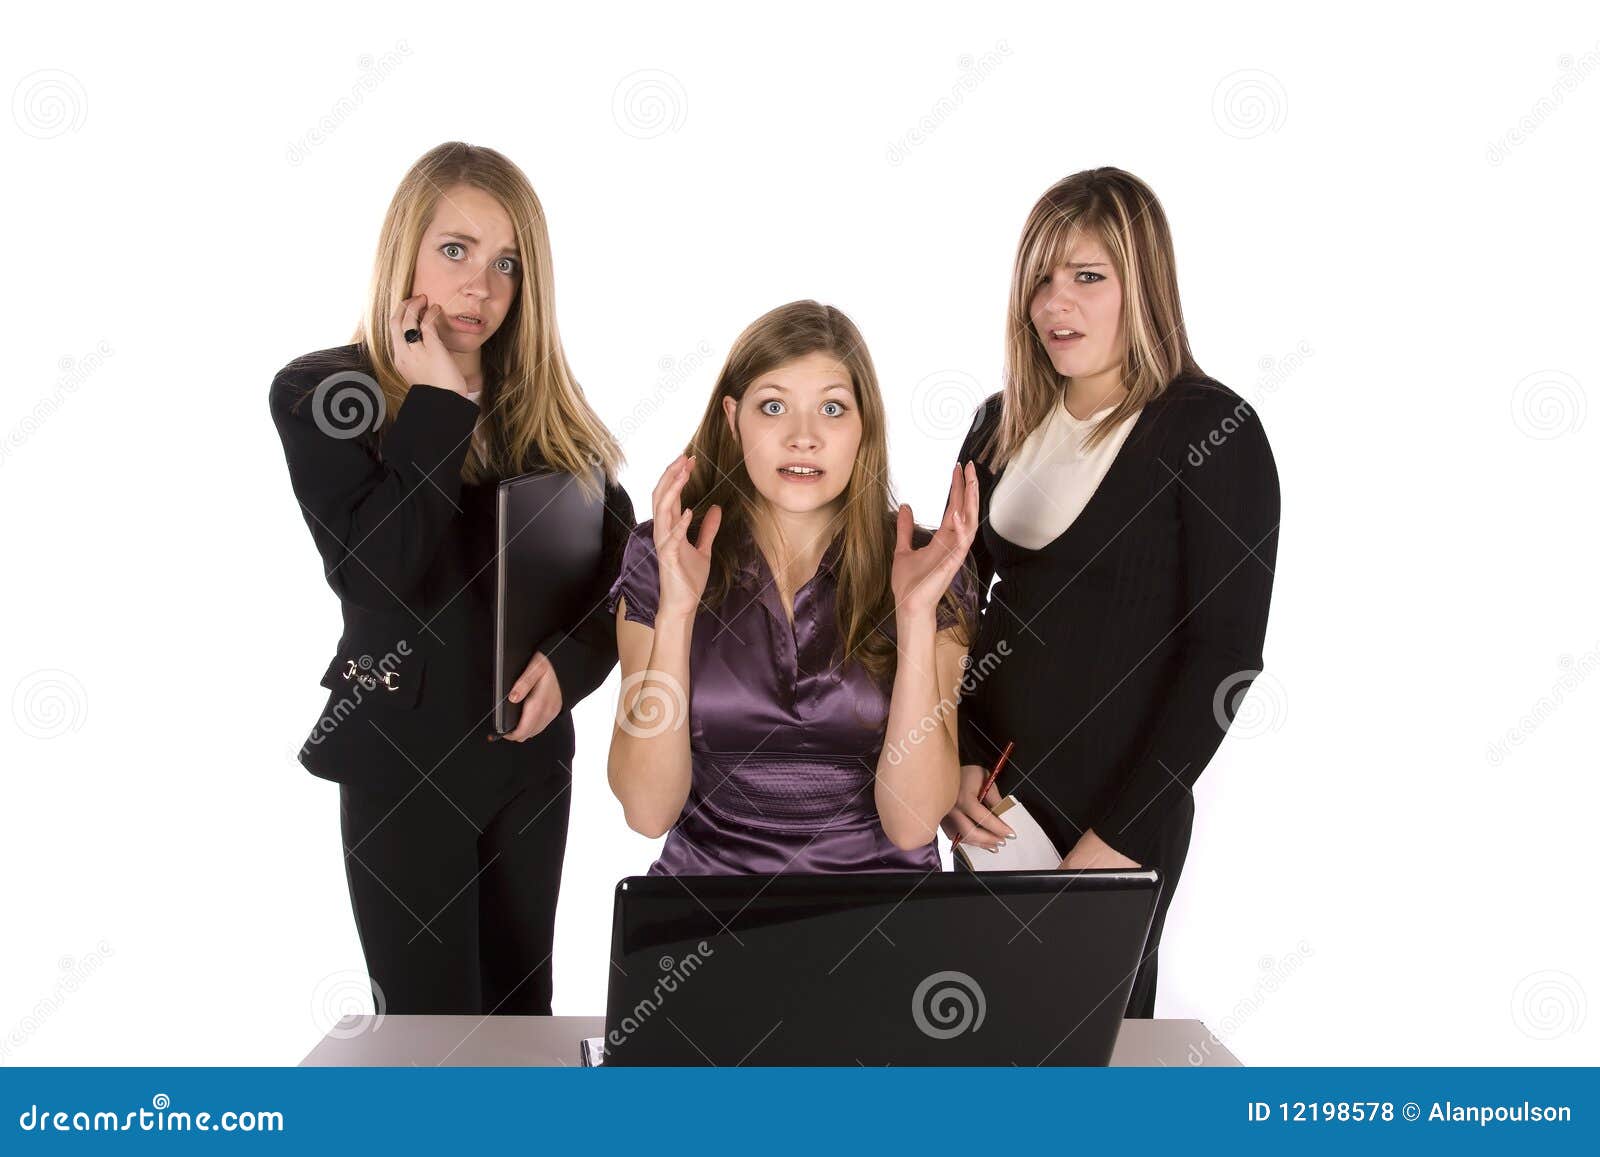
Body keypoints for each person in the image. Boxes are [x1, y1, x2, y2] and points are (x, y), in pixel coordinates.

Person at [268, 142, 635, 1014]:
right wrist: (437, 406)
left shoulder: (541, 405)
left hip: (527, 764)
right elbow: (374, 572)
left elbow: (624, 574)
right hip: (403, 761)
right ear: (407, 249)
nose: (481, 286)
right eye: (456, 250)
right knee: (431, 1037)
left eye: (506, 262)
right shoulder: (324, 390)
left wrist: (573, 666)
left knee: (519, 1022)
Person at [943, 168, 1280, 1018]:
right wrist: (954, 757)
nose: (1057, 303)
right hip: (993, 809)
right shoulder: (998, 422)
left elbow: (1225, 658)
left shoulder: (1211, 429)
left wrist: (1115, 844)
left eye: (1088, 276)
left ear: (1146, 284)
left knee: (1085, 1064)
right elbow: (951, 606)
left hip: (1122, 819)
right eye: (1042, 279)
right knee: (980, 1049)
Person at [604, 300, 979, 874]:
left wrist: (915, 616)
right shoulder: (663, 553)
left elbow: (911, 822)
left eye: (832, 408)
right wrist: (677, 611)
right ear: (732, 419)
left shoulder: (928, 565)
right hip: (702, 919)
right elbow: (647, 811)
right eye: (774, 406)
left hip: (887, 925)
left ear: (865, 427)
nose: (803, 437)